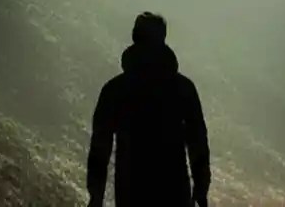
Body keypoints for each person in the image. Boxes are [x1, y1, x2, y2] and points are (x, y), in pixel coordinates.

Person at [87, 12, 211, 207]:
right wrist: (201, 188)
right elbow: (197, 141)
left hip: (131, 192)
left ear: (135, 37)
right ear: (163, 39)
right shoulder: (182, 88)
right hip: (174, 191)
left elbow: (100, 148)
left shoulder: (116, 89)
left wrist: (96, 196)